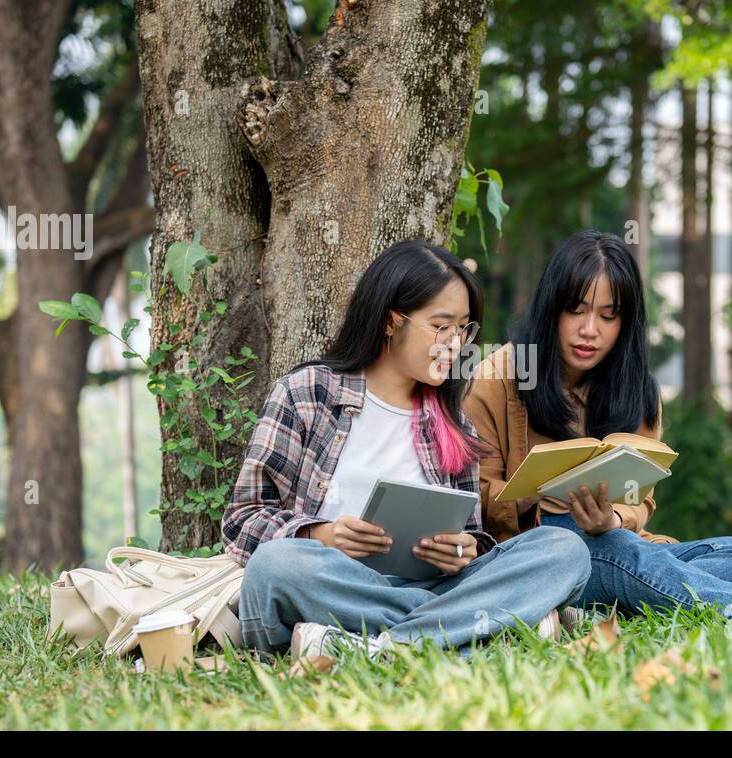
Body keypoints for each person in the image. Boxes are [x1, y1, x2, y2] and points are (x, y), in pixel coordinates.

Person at [222, 239, 591, 662]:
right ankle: (472, 634)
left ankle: (376, 647)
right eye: (441, 326)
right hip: (335, 584)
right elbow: (241, 521)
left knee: (563, 550)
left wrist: (461, 551)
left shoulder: (454, 422)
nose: (456, 344)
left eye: (464, 329)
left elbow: (467, 535)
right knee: (275, 568)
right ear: (391, 322)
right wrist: (322, 535)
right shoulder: (308, 393)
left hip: (432, 588)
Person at [463, 229, 732, 627]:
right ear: (552, 310)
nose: (589, 330)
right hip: (538, 553)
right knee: (610, 553)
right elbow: (472, 500)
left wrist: (609, 520)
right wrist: (531, 493)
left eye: (607, 315)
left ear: (625, 322)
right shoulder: (500, 375)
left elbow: (639, 498)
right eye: (576, 311)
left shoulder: (634, 389)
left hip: (611, 540)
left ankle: (600, 606)